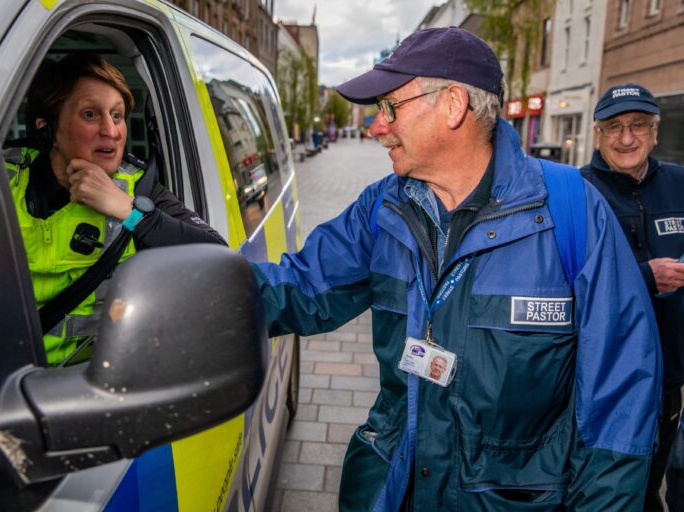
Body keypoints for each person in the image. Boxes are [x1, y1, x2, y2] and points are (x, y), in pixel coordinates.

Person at [251, 28, 661, 511]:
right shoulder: (383, 208)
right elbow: (297, 287)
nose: (376, 127)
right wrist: (178, 264)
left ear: (452, 104)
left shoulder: (572, 212)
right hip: (393, 492)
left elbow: (620, 408)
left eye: (390, 107)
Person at [5, 53, 225, 366]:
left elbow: (217, 257)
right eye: (91, 114)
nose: (111, 130)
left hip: (83, 383)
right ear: (47, 128)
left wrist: (128, 210)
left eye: (118, 115)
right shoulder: (2, 175)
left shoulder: (140, 188)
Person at [580, 83, 684, 512]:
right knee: (608, 488)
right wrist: (643, 277)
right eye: (615, 127)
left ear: (655, 132)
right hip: (605, 378)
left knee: (651, 482)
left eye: (638, 125)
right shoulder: (577, 193)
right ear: (598, 135)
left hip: (668, 377)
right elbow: (565, 281)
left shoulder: (679, 183)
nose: (627, 138)